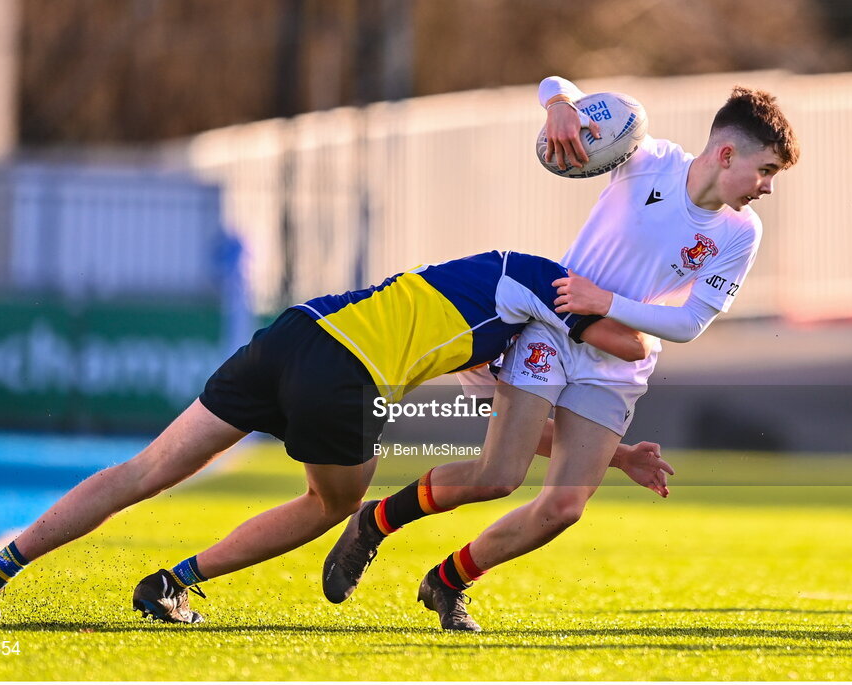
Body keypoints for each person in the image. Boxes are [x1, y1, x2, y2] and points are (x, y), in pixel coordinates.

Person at [0, 249, 669, 624]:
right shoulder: (541, 281)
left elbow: (517, 421)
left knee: (148, 467)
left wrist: (619, 452)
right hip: (345, 376)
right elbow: (627, 343)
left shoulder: (485, 300)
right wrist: (614, 304)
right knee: (329, 503)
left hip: (293, 332)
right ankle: (173, 583)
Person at [321, 77, 799, 631]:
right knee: (499, 476)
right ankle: (373, 524)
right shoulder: (647, 157)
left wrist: (607, 301)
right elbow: (557, 85)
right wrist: (559, 106)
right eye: (765, 170)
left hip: (617, 360)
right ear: (725, 153)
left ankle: (447, 581)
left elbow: (689, 324)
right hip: (551, 328)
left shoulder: (742, 232)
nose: (766, 187)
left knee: (563, 509)